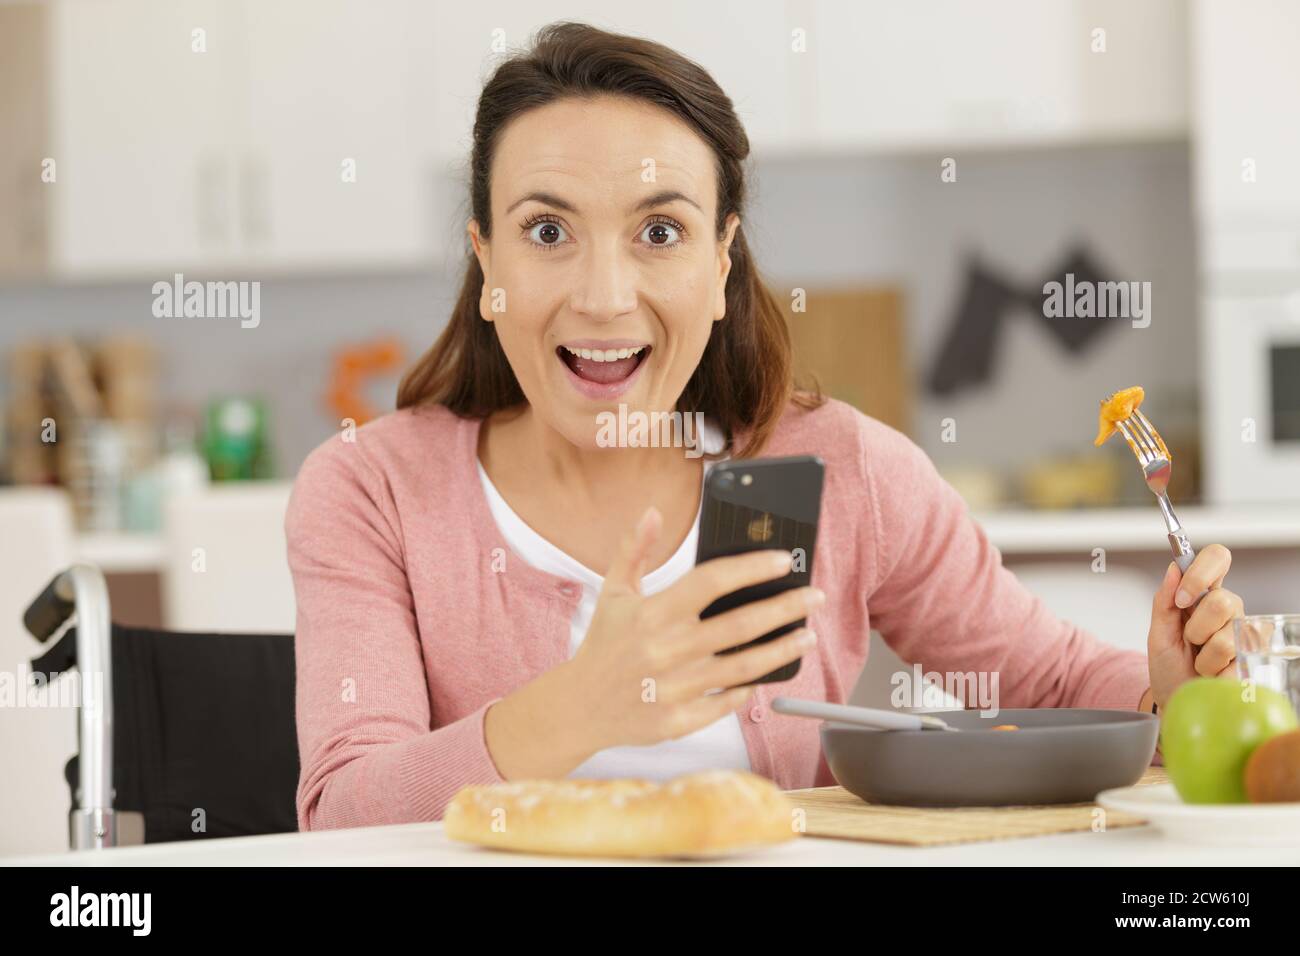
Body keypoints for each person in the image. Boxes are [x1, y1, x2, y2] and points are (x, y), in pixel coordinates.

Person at [285, 22, 1243, 830]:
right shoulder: (372, 489)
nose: (605, 295)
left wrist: (1166, 693)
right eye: (546, 231)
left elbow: (1050, 677)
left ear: (719, 260)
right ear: (485, 259)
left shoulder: (834, 467)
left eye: (659, 232)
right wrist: (581, 704)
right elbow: (340, 813)